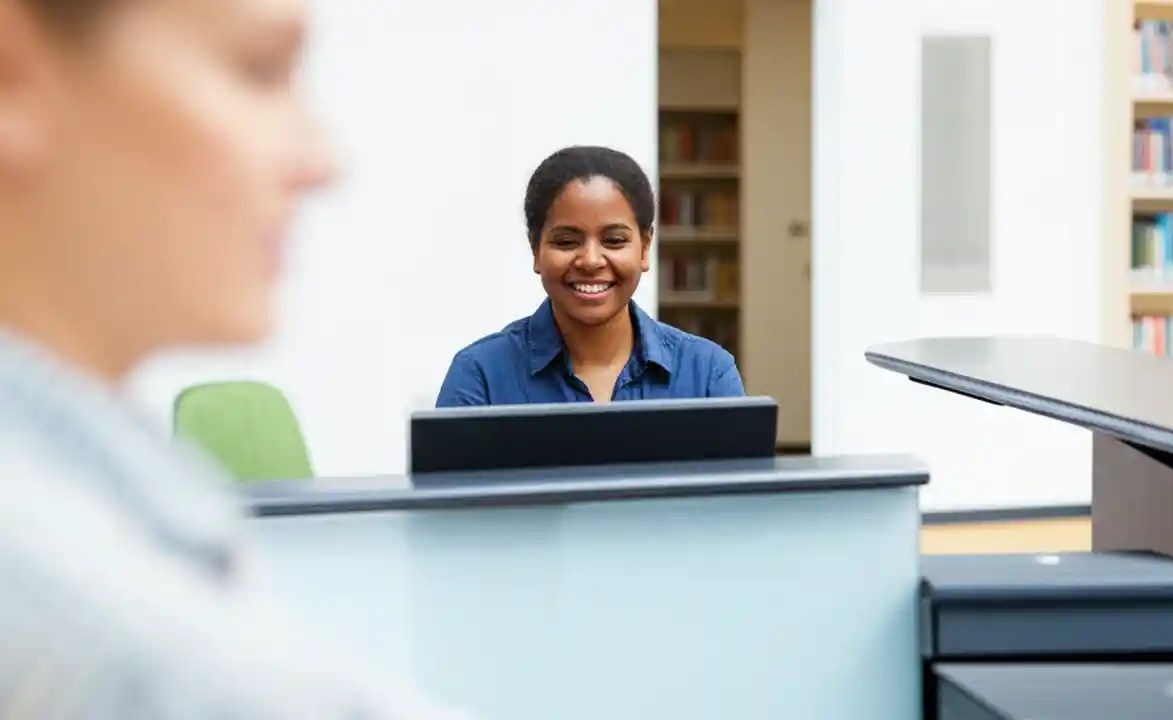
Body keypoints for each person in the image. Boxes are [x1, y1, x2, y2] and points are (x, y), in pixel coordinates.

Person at [0, 0, 462, 717]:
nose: (321, 160)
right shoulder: (104, 650)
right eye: (258, 71)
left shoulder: (110, 501)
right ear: (13, 74)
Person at [436, 145, 745, 406]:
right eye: (566, 242)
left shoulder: (707, 373)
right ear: (535, 249)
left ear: (645, 247)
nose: (591, 261)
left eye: (614, 241)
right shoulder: (481, 376)